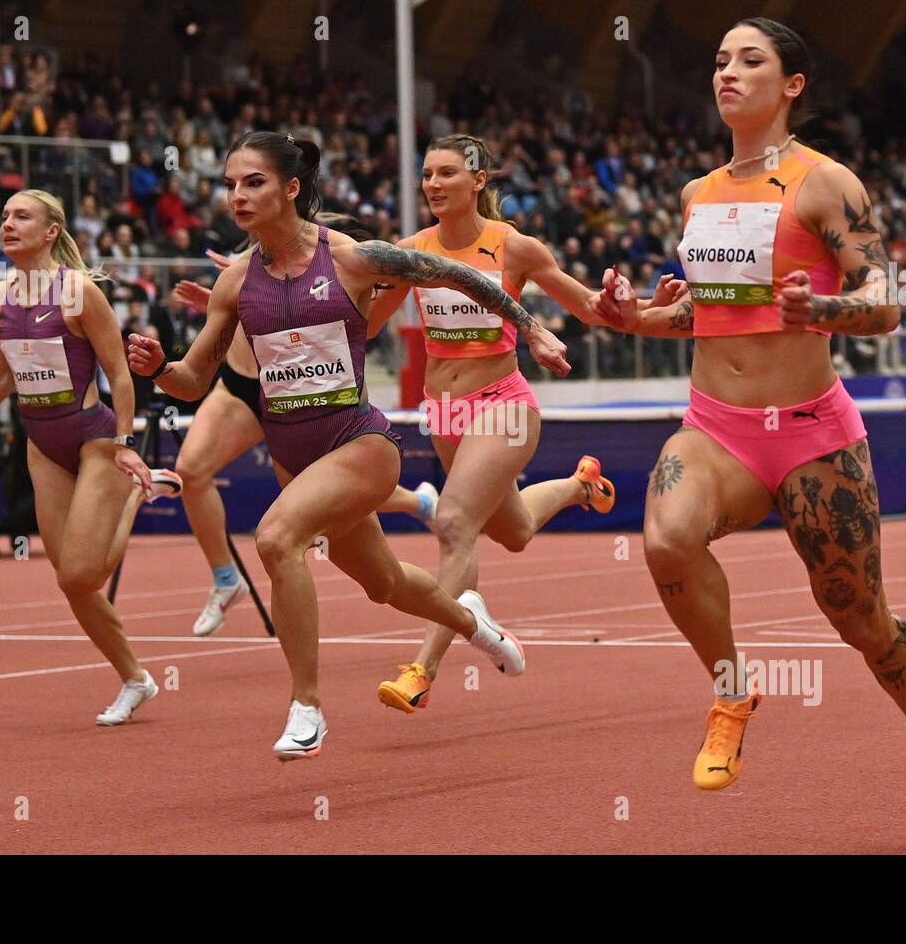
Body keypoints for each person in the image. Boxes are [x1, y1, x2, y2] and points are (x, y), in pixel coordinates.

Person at [591, 18, 906, 839]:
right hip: (716, 429)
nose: (727, 72)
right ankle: (731, 690)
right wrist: (633, 317)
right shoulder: (698, 194)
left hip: (812, 435)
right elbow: (700, 316)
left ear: (791, 85)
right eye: (720, 59)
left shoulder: (826, 185)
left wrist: (824, 306)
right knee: (665, 540)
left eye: (750, 61)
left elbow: (887, 304)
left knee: (862, 620)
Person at [126, 131, 568, 759]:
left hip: (360, 443)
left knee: (278, 539)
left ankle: (307, 707)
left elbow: (464, 275)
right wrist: (157, 369)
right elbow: (193, 380)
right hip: (294, 456)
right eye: (229, 185)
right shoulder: (236, 284)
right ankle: (475, 623)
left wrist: (534, 331)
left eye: (253, 182)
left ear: (291, 189)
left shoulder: (353, 258)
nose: (237, 196)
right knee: (384, 583)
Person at [366, 134, 685, 714]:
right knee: (511, 531)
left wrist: (645, 305)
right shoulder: (412, 251)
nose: (433, 185)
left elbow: (592, 308)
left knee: (456, 522)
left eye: (446, 174)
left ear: (478, 182)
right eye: (427, 175)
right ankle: (578, 485)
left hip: (504, 406)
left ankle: (422, 668)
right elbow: (365, 325)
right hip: (444, 413)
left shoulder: (515, 248)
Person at [0, 189, 182, 726]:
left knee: (81, 575)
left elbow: (119, 372)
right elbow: (4, 372)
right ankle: (135, 679)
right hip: (41, 444)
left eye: (22, 216)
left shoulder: (79, 292)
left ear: (50, 232)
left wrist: (123, 446)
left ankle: (138, 490)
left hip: (93, 438)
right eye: (3, 217)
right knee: (71, 580)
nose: (7, 224)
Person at [173, 215, 437, 639]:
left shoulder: (339, 265)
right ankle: (226, 579)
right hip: (245, 386)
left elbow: (356, 325)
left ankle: (419, 505)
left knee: (337, 512)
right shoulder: (249, 265)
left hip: (314, 400)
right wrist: (216, 304)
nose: (242, 197)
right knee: (190, 470)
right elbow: (230, 321)